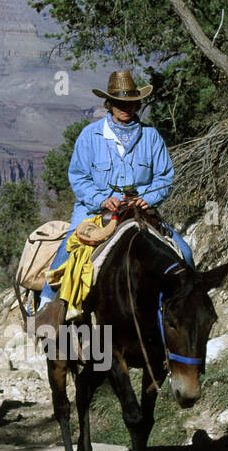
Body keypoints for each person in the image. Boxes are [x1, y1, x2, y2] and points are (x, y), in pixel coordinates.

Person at [36, 70, 194, 322]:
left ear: (137, 104)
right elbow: (78, 176)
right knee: (69, 247)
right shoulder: (90, 135)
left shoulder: (151, 137)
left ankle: (186, 308)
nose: (125, 108)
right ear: (109, 104)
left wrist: (147, 198)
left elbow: (164, 177)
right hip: (94, 210)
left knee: (184, 252)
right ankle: (46, 307)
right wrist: (101, 198)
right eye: (119, 103)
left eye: (130, 103)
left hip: (140, 210)